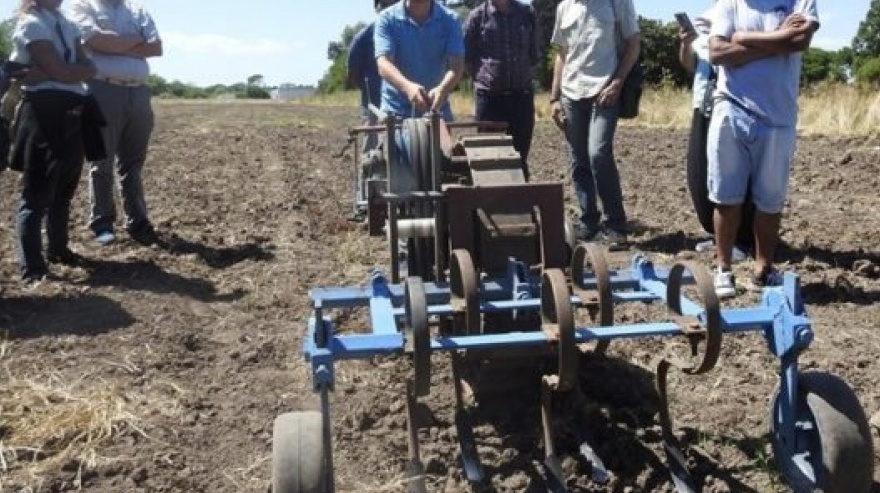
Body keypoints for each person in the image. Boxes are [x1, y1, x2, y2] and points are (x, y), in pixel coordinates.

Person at [706, 0, 819, 298]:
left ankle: (764, 268)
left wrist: (743, 38)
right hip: (732, 107)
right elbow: (717, 53)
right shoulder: (730, 2)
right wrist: (779, 41)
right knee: (726, 196)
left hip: (778, 115)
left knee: (770, 200)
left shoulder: (801, 1)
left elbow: (800, 41)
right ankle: (723, 269)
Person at [8, 0, 97, 282]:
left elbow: (89, 67)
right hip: (43, 109)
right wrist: (66, 71)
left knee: (64, 189)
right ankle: (33, 268)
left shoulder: (67, 23)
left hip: (74, 107)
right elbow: (64, 71)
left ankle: (58, 250)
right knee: (36, 193)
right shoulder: (31, 23)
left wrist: (61, 71)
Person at [69, 0, 163, 246]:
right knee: (101, 161)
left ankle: (138, 221)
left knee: (133, 163)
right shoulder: (83, 7)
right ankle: (102, 222)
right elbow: (96, 41)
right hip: (102, 89)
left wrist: (114, 45)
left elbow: (156, 47)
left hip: (139, 92)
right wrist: (135, 42)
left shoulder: (137, 9)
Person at [549, 0, 640, 246]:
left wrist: (618, 82)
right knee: (578, 159)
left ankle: (616, 224)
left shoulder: (617, 2)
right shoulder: (565, 7)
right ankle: (588, 222)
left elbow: (633, 45)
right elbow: (562, 54)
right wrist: (555, 98)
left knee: (598, 153)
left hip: (605, 90)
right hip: (571, 93)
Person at [678, 7, 752, 263]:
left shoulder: (742, 14)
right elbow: (691, 64)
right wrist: (686, 43)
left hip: (733, 104)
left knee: (733, 173)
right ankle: (719, 235)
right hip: (703, 106)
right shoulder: (711, 15)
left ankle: (742, 240)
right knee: (701, 174)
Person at [374, 0, 465, 192]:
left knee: (445, 169)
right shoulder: (387, 19)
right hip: (395, 112)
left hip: (436, 110)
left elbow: (456, 65)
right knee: (395, 176)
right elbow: (384, 64)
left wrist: (442, 89)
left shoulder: (450, 19)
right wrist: (408, 87)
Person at [464, 0, 539, 180]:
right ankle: (490, 196)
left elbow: (534, 55)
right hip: (490, 99)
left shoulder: (527, 13)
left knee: (520, 157)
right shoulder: (477, 17)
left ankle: (520, 195)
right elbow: (466, 58)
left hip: (521, 98)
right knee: (489, 158)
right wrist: (484, 78)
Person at [347, 0, 399, 155]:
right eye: (384, 5)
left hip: (401, 98)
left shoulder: (408, 33)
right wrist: (368, 88)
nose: (388, 9)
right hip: (373, 99)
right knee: (372, 140)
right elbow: (353, 72)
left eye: (392, 4)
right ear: (376, 8)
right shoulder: (363, 38)